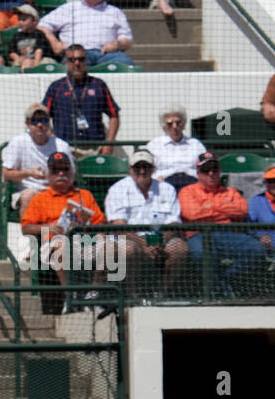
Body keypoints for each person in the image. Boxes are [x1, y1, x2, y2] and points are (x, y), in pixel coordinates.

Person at [19, 151, 106, 308]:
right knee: (61, 245)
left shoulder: (84, 195)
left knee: (108, 245)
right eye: (55, 170)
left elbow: (99, 222)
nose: (61, 174)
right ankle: (70, 296)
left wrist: (90, 229)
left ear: (72, 173)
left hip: (84, 242)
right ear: (48, 175)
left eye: (65, 169)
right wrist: (47, 227)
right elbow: (26, 228)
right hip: (53, 244)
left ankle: (92, 293)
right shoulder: (40, 198)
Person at [104, 148, 187, 299]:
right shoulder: (117, 189)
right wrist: (144, 244)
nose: (142, 171)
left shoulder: (167, 189)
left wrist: (159, 242)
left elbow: (173, 223)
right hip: (131, 240)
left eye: (146, 167)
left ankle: (161, 292)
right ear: (130, 169)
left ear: (153, 168)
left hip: (160, 239)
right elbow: (119, 227)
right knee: (128, 249)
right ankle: (132, 294)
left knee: (180, 248)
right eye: (137, 167)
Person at [177, 151, 266, 291]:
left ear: (220, 171)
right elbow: (192, 214)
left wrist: (208, 207)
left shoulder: (231, 191)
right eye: (206, 170)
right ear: (198, 172)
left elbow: (242, 210)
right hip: (198, 234)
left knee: (257, 249)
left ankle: (224, 281)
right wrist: (225, 211)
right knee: (201, 254)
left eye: (214, 169)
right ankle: (218, 291)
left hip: (228, 233)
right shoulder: (187, 191)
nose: (211, 173)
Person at [38, 0, 132, 68]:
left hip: (108, 54)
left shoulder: (115, 11)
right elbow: (41, 26)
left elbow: (127, 40)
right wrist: (55, 42)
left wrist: (117, 44)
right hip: (77, 54)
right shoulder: (69, 8)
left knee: (125, 63)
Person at [41, 44, 119, 155]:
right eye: (72, 60)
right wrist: (52, 138)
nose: (77, 63)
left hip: (95, 148)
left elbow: (114, 115)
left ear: (86, 61)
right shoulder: (56, 87)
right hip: (65, 148)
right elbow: (42, 115)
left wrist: (109, 143)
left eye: (80, 59)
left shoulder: (98, 85)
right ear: (66, 62)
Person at [1, 103, 73, 214]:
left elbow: (71, 174)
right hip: (28, 191)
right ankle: (34, 231)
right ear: (27, 124)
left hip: (55, 191)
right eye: (35, 121)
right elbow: (5, 173)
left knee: (77, 199)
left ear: (49, 122)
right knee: (29, 196)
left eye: (44, 120)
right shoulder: (18, 142)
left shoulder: (61, 146)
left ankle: (48, 231)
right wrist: (29, 173)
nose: (40, 125)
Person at [146, 106, 207, 193]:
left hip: (192, 185)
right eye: (170, 123)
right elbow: (147, 169)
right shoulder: (154, 145)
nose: (175, 126)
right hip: (164, 185)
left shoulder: (196, 144)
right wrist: (156, 179)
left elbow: (205, 167)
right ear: (164, 126)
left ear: (184, 124)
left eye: (178, 122)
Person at [6, 3, 48, 69]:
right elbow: (12, 52)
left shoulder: (39, 34)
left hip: (38, 61)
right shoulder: (17, 35)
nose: (20, 22)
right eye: (19, 19)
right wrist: (19, 59)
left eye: (24, 20)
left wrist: (35, 66)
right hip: (22, 61)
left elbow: (39, 51)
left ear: (34, 21)